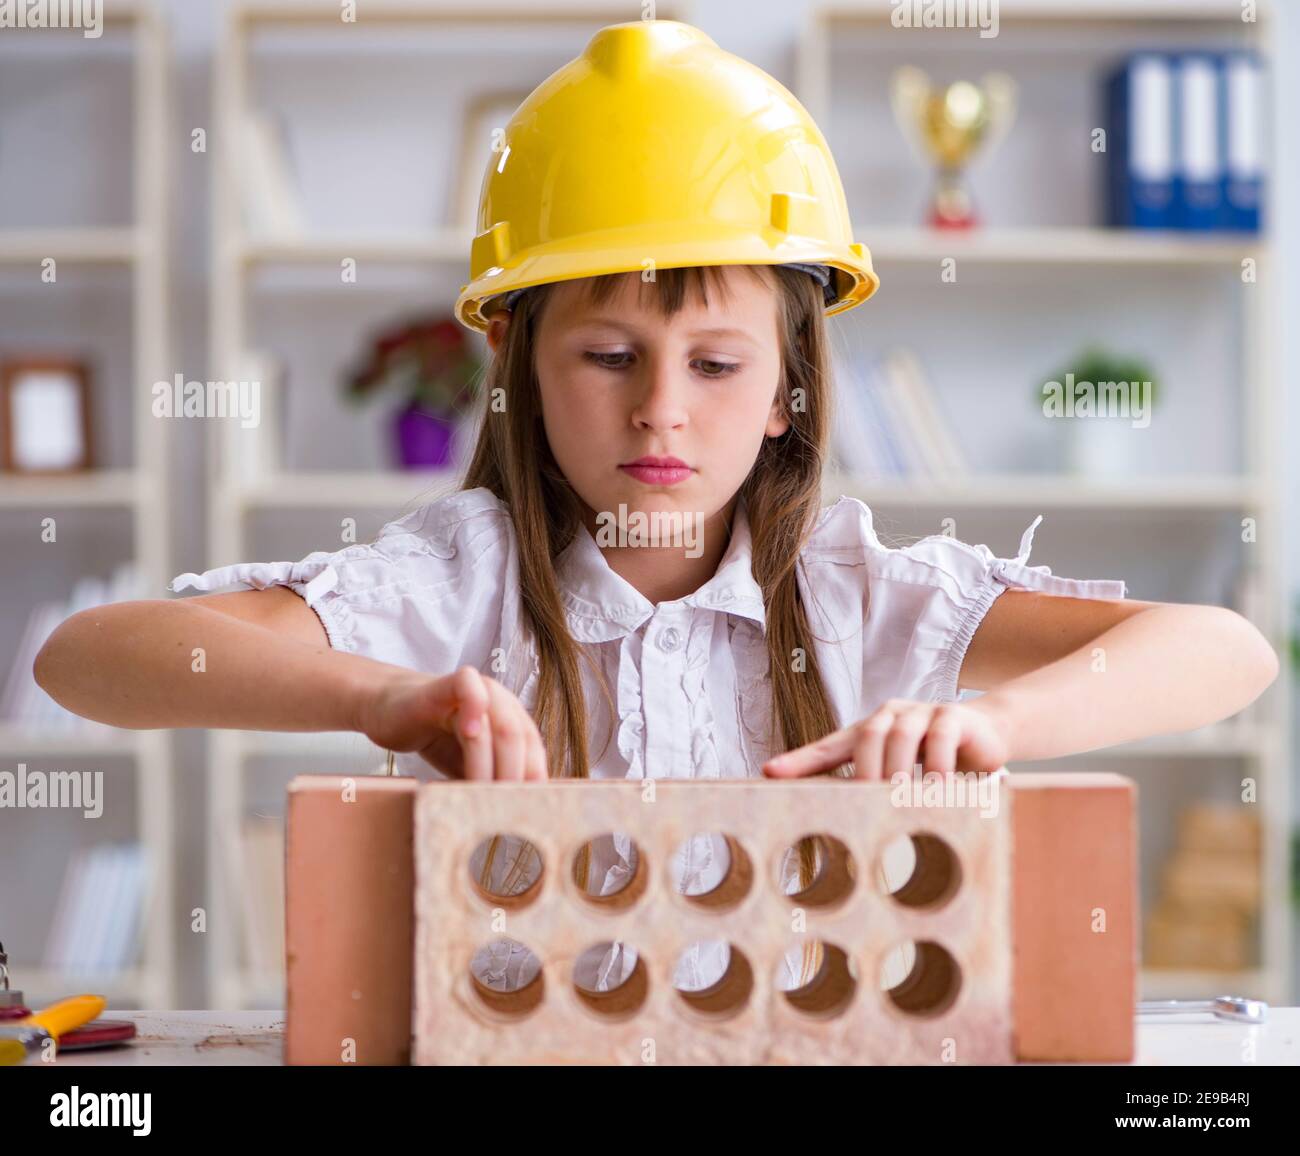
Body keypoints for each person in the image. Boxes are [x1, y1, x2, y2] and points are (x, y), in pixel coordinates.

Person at [34, 20, 1278, 1003]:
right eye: (611, 357)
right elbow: (86, 658)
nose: (661, 413)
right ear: (521, 365)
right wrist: (378, 697)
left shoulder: (853, 587)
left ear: (790, 389)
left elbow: (1224, 649)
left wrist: (992, 720)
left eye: (717, 365)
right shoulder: (461, 578)